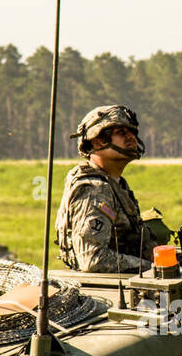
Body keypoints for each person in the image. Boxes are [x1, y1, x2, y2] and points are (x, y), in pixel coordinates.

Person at [54, 105, 160, 272]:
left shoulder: (115, 184)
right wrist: (153, 268)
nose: (131, 137)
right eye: (121, 132)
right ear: (97, 140)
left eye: (132, 132)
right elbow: (92, 258)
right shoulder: (94, 190)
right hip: (112, 291)